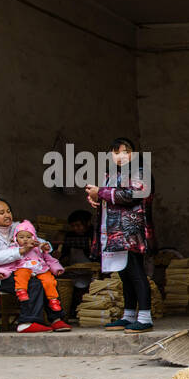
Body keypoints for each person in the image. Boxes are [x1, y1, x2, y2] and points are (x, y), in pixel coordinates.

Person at [0, 196, 70, 332]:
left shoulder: (16, 228)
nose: (7, 215)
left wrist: (43, 245)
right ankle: (26, 322)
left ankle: (56, 319)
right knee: (33, 283)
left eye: (8, 211)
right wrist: (22, 250)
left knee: (46, 278)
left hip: (19, 269)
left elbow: (38, 240)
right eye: (1, 213)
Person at [87, 136, 154, 332]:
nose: (121, 156)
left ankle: (145, 317)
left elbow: (131, 195)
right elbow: (106, 195)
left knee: (136, 272)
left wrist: (101, 192)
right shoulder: (111, 175)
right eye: (116, 153)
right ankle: (129, 315)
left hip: (131, 231)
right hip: (115, 232)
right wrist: (94, 197)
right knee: (124, 274)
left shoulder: (141, 173)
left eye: (126, 152)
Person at [0, 221, 67, 318]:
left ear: (34, 238)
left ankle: (53, 300)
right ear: (16, 238)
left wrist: (57, 269)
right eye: (21, 237)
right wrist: (2, 272)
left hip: (40, 269)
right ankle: (21, 291)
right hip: (23, 268)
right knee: (21, 275)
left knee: (49, 281)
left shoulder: (38, 249)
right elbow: (8, 263)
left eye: (28, 237)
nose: (25, 240)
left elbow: (50, 260)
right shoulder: (14, 249)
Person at [57, 209, 94, 310]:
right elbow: (64, 254)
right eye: (73, 226)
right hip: (73, 272)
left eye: (78, 225)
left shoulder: (94, 234)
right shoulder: (69, 236)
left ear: (87, 223)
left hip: (91, 273)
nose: (76, 229)